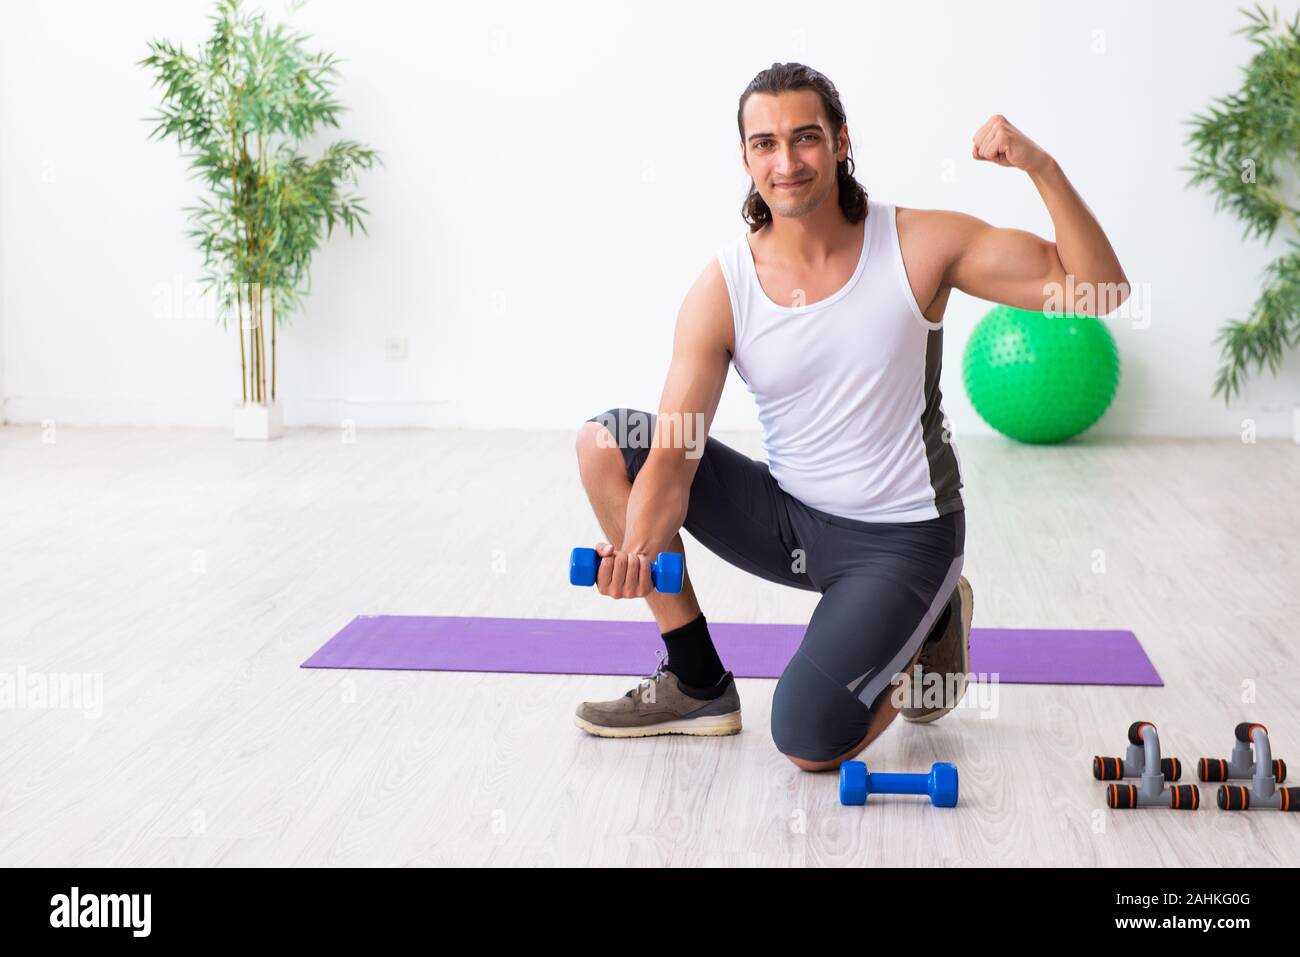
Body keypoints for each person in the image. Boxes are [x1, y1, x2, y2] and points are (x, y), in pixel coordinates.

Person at [573, 62, 1129, 771]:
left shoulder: (920, 244)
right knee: (607, 440)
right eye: (766, 144)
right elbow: (675, 456)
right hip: (790, 520)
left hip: (903, 540)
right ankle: (696, 679)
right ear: (745, 158)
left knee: (808, 740)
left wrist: (1040, 167)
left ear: (840, 142)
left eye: (805, 138)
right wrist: (640, 551)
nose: (787, 161)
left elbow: (1099, 291)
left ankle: (931, 632)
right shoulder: (724, 286)